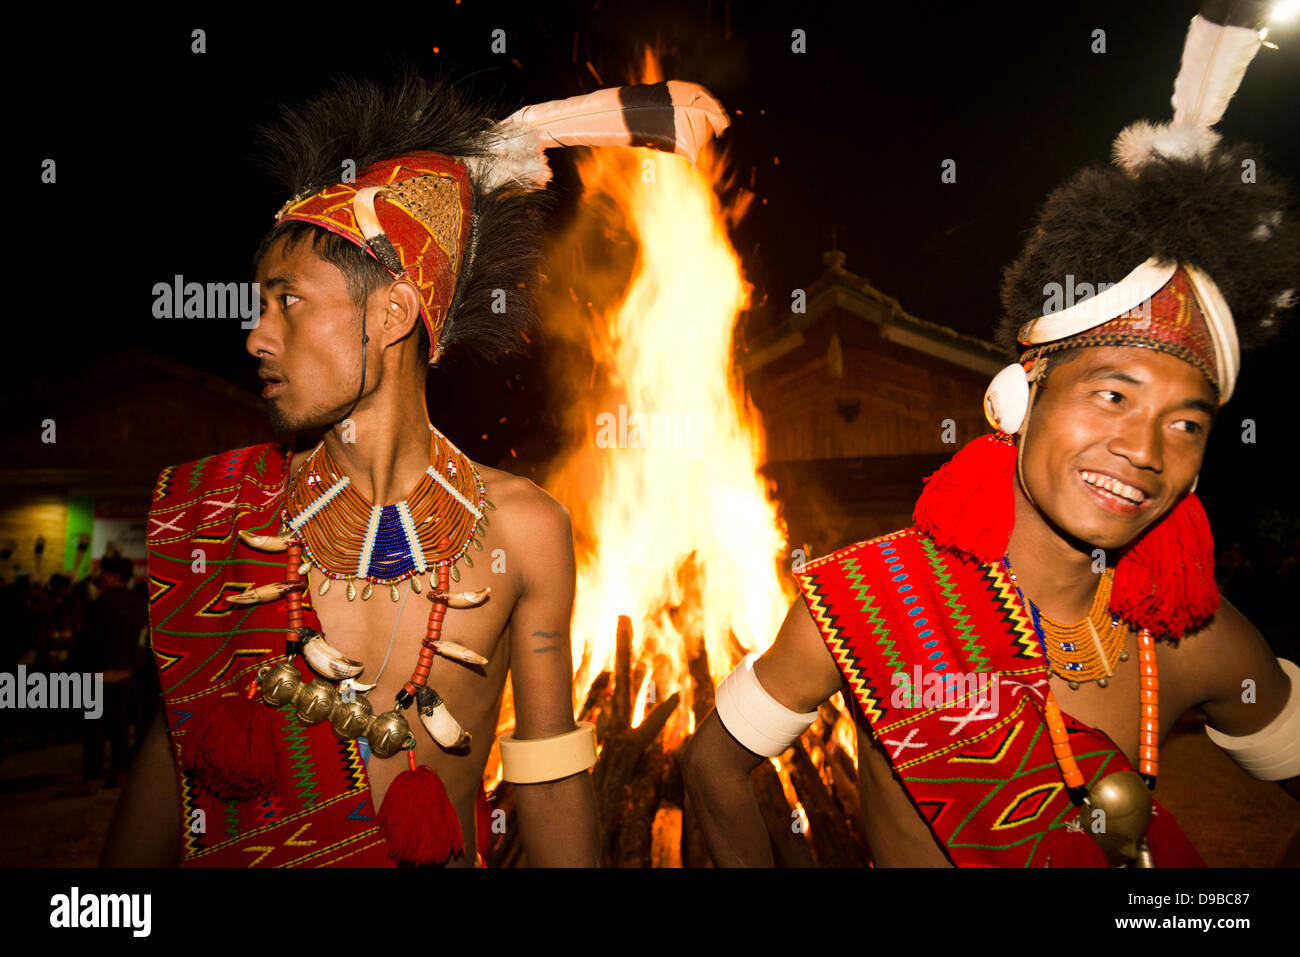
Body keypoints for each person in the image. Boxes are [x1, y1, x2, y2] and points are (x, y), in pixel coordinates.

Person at [684, 2, 1300, 867]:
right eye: (1113, 392)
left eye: (1185, 423)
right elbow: (713, 765)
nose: (1145, 448)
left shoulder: (1197, 640)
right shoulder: (863, 606)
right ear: (1019, 398)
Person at [102, 71, 727, 867]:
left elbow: (546, 775)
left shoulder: (524, 530)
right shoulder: (220, 511)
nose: (256, 337)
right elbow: (180, 748)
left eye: (287, 302)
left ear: (392, 313)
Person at [72, 555, 146, 790]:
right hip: (126, 674)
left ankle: (92, 776)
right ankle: (119, 772)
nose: (100, 578)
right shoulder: (138, 604)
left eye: (103, 573)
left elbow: (86, 642)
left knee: (94, 730)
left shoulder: (100, 605)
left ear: (113, 576)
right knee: (120, 728)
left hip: (98, 674)